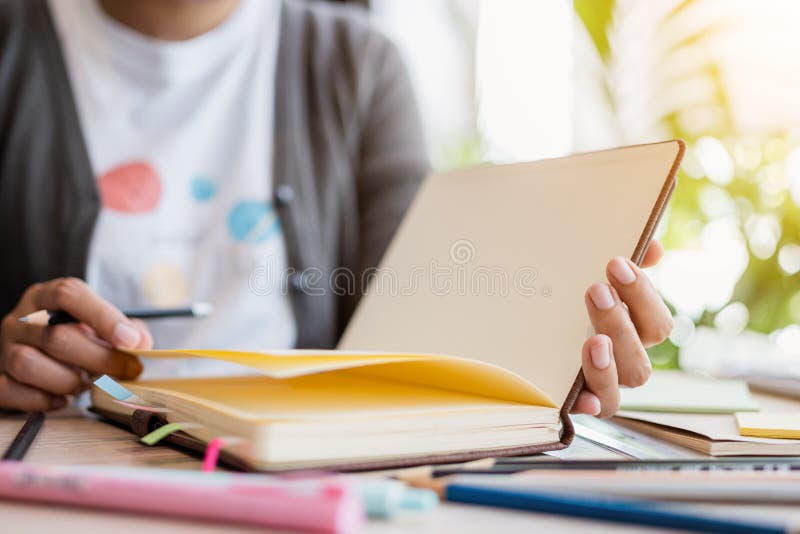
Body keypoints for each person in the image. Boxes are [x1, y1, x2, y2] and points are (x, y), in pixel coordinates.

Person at [0, 0, 673, 418]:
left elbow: (410, 321)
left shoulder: (358, 64)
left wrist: (551, 348)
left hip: (296, 468)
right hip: (55, 463)